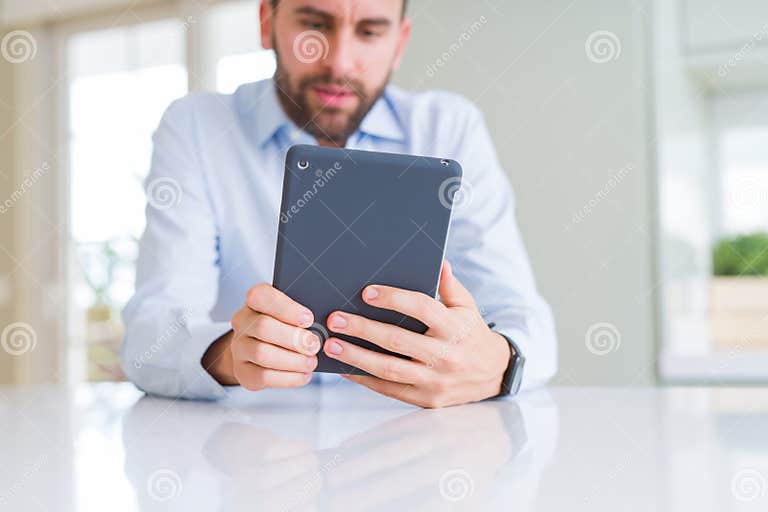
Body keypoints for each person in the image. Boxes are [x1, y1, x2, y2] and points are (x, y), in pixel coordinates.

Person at [121, 0, 557, 408]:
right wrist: (230, 355)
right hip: (244, 447)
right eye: (314, 25)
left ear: (399, 43)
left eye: (369, 32)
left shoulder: (449, 128)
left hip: (409, 447)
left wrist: (499, 363)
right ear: (266, 22)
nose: (339, 62)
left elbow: (528, 323)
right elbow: (148, 339)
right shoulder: (197, 128)